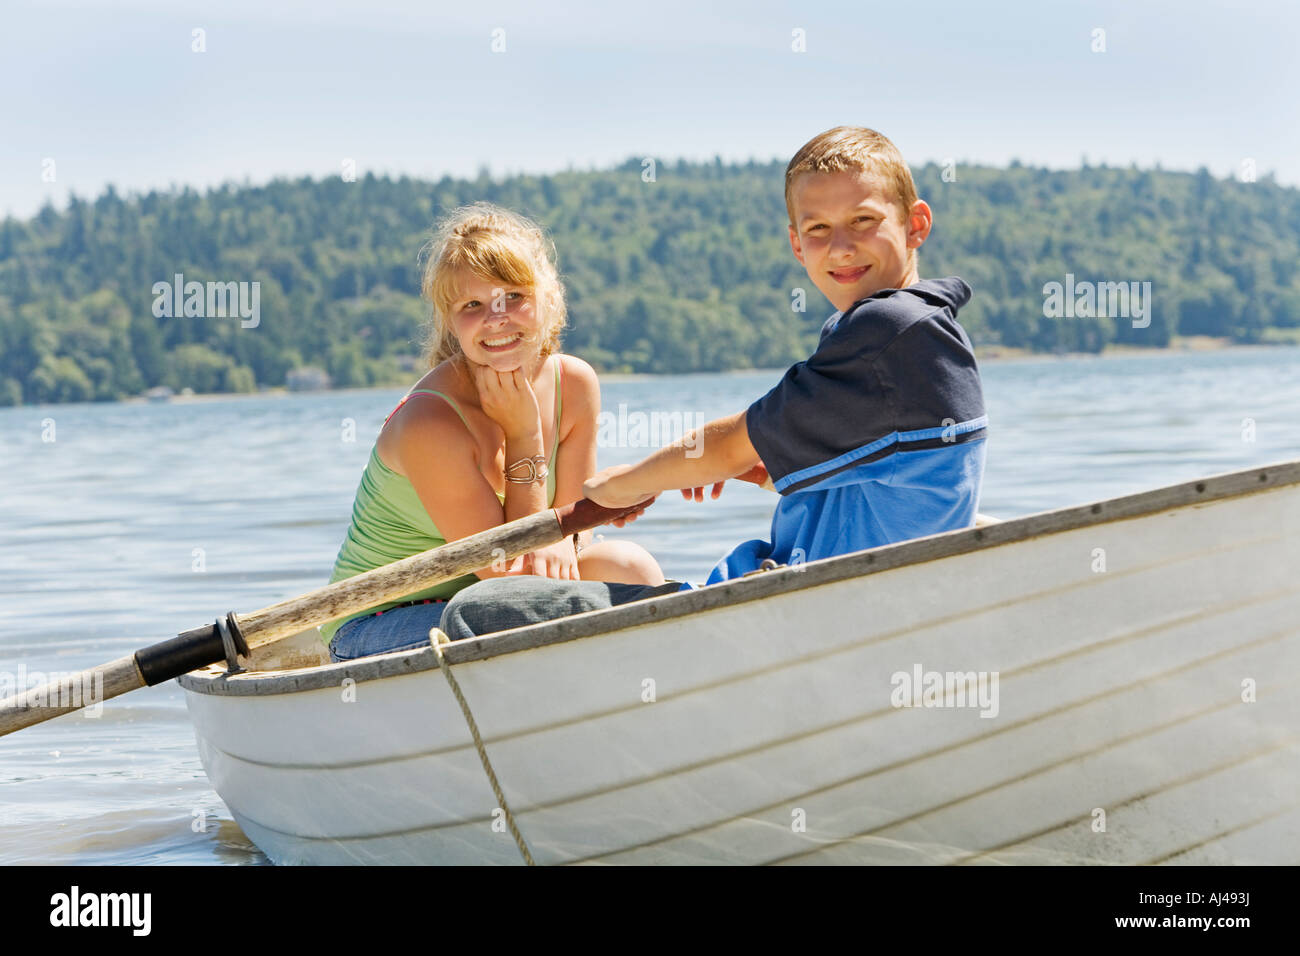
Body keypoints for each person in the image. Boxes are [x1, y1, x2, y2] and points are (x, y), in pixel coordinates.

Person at [438, 126, 987, 642]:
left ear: (916, 224)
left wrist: (628, 484)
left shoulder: (886, 331)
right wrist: (772, 473)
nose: (840, 246)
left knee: (478, 611)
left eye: (863, 220)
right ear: (797, 245)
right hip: (823, 605)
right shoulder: (922, 336)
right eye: (818, 229)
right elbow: (892, 490)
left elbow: (725, 446)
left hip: (796, 615)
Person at [320, 203, 664, 661]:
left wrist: (574, 528)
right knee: (508, 610)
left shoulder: (574, 384)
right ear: (450, 321)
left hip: (497, 601)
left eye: (514, 297)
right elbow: (513, 573)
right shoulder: (429, 423)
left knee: (630, 567)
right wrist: (525, 434)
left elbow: (562, 535)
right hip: (380, 620)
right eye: (472, 305)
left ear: (549, 299)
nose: (496, 318)